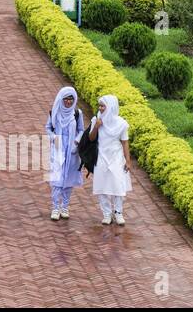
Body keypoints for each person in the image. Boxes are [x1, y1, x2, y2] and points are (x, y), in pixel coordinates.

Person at [88, 94, 132, 226]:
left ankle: (118, 212)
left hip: (116, 157)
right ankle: (106, 213)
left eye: (103, 106)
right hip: (101, 155)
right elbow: (91, 138)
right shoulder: (96, 119)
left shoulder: (121, 124)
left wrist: (128, 161)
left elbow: (125, 143)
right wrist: (96, 126)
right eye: (99, 106)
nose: (100, 108)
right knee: (102, 186)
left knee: (118, 185)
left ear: (111, 106)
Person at [46, 87, 85, 221]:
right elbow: (48, 128)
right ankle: (55, 207)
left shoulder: (77, 113)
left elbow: (81, 130)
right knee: (57, 180)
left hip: (72, 152)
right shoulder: (55, 112)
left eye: (71, 99)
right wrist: (54, 138)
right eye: (66, 99)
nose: (68, 102)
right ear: (61, 99)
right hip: (58, 150)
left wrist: (76, 142)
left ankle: (65, 207)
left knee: (69, 180)